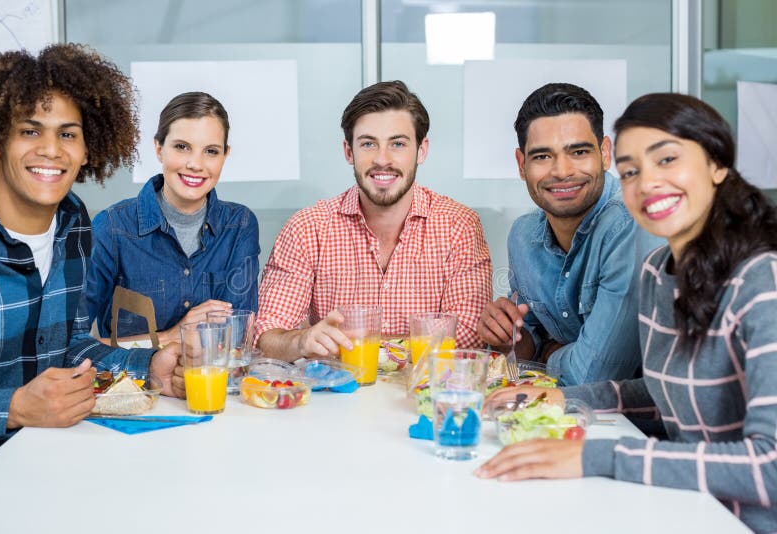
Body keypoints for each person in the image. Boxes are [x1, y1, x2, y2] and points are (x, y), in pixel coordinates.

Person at [475, 93, 777, 533]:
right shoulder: (660, 270)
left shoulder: (762, 281)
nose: (648, 184)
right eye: (633, 171)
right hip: (683, 509)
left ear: (716, 165)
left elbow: (770, 466)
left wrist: (596, 457)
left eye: (667, 160)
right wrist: (563, 398)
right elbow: (662, 394)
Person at [0, 44, 185, 464]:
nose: (52, 150)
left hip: (46, 463)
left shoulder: (75, 224)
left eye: (67, 134)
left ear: (87, 151)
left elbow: (67, 345)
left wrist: (150, 366)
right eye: (30, 131)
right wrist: (13, 408)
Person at [255, 81, 492, 362]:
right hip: (337, 398)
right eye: (368, 144)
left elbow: (468, 337)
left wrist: (364, 346)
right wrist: (301, 340)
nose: (382, 159)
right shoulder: (307, 228)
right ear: (348, 151)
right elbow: (267, 335)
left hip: (424, 398)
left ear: (422, 150)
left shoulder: (459, 226)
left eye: (398, 144)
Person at [477, 83, 661, 386]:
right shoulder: (523, 237)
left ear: (604, 153)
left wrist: (545, 357)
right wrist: (505, 337)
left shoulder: (632, 225)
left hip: (643, 423)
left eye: (578, 152)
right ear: (522, 165)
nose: (561, 171)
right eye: (542, 157)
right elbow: (524, 348)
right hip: (564, 415)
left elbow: (595, 375)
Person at [86, 92, 259, 344]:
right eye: (181, 147)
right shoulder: (111, 228)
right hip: (130, 383)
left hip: (211, 380)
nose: (195, 164)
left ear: (225, 155)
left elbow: (236, 338)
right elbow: (73, 343)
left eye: (211, 151)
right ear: (159, 148)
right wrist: (173, 336)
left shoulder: (240, 225)